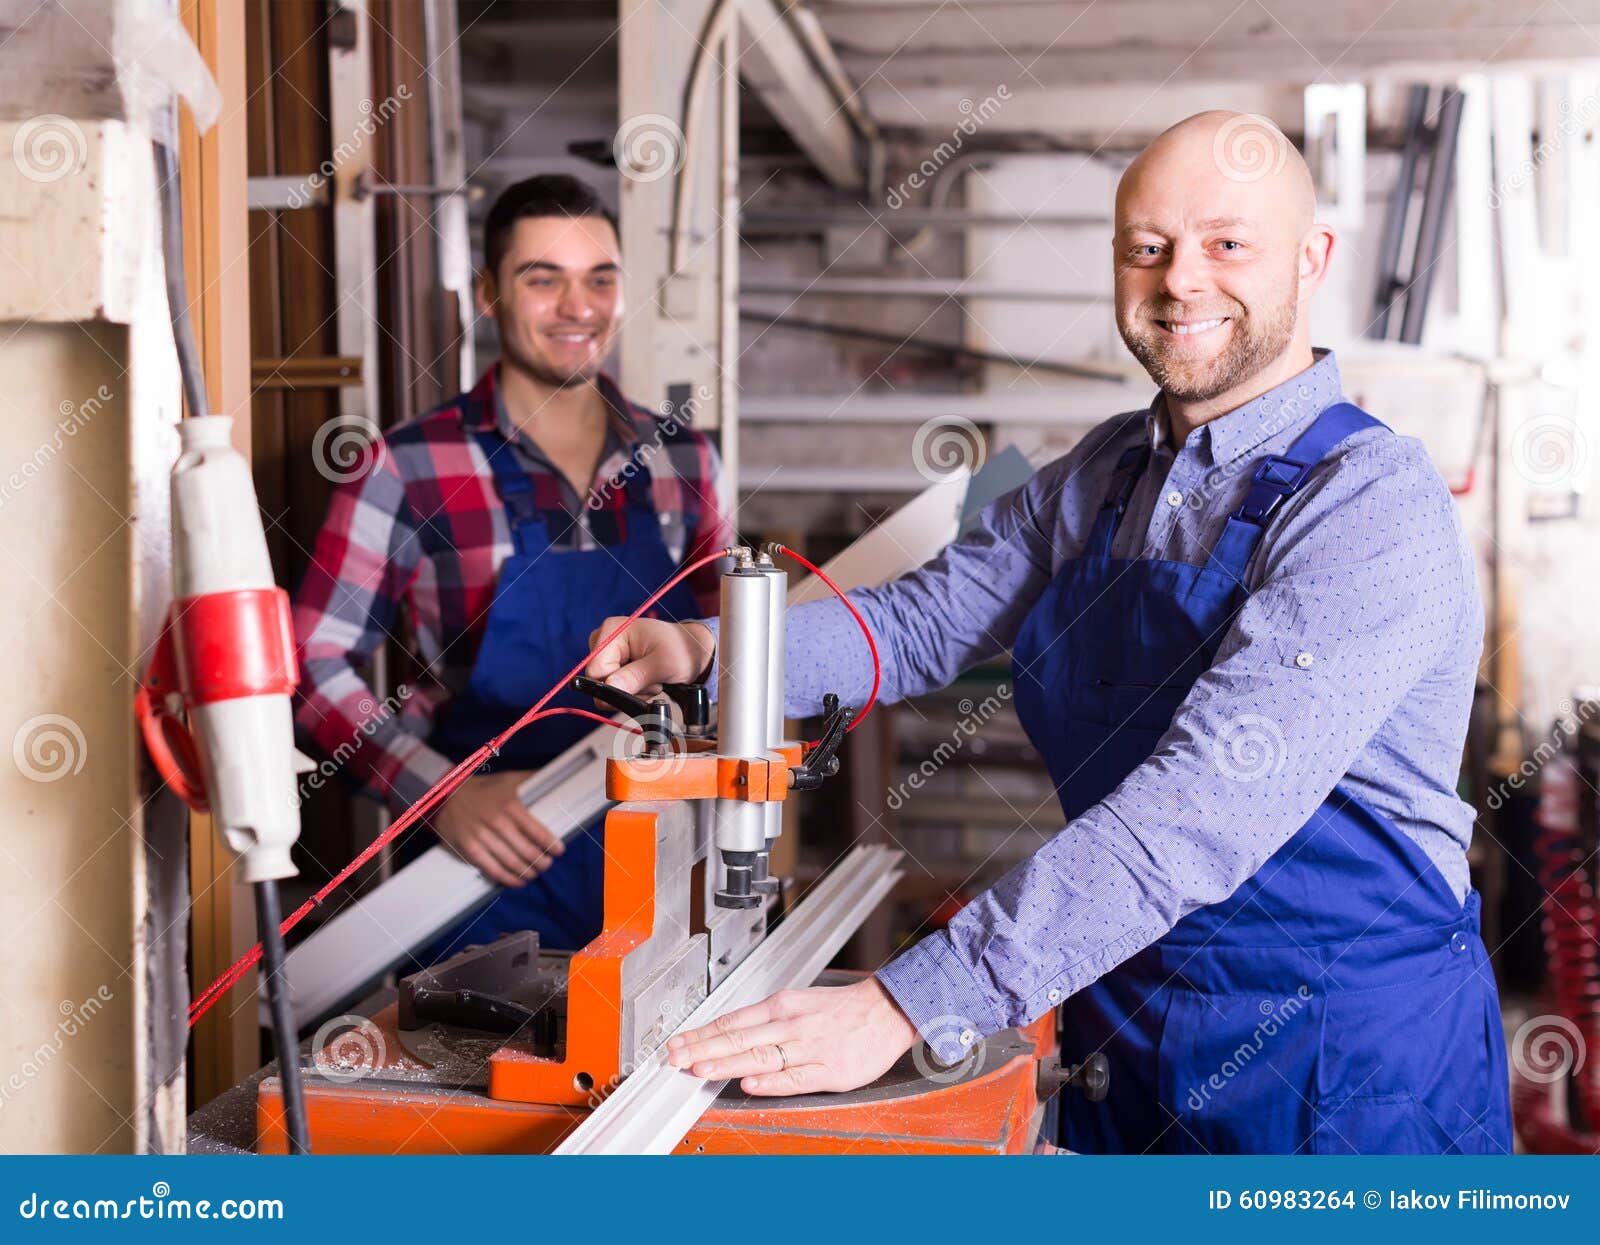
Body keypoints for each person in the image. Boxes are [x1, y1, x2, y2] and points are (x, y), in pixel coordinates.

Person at [585, 113, 1512, 1154]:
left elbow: (1197, 811)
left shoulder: (1371, 506)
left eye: (1227, 245)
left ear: (1312, 260)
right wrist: (715, 658)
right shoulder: (1105, 474)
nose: (1180, 282)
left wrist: (909, 1003)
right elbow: (925, 622)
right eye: (1146, 248)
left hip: (1341, 1073)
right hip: (1127, 1017)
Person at [293, 174, 731, 959]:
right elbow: (313, 661)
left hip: (664, 857)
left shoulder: (686, 462)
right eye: (544, 279)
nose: (579, 307)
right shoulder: (406, 466)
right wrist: (436, 792)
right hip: (480, 871)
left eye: (601, 278)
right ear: (490, 293)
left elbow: (726, 650)